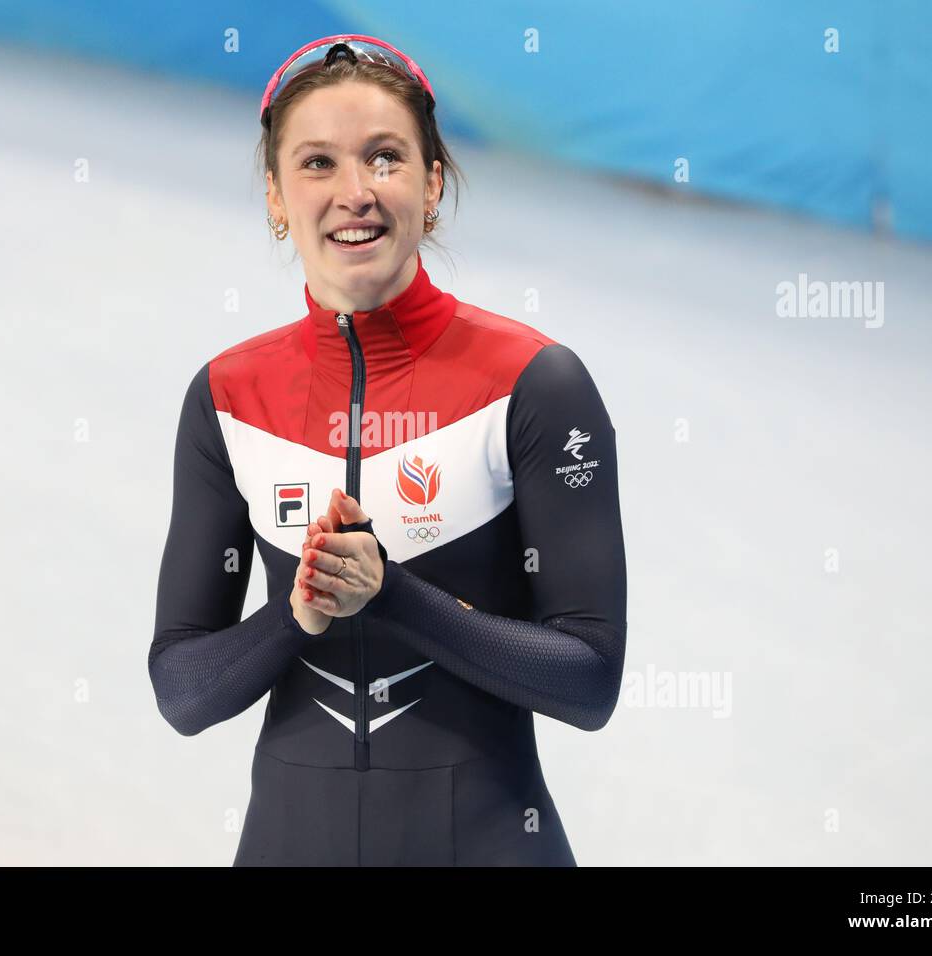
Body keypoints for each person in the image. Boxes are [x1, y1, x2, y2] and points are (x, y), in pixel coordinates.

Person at [148, 34, 627, 866]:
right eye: (318, 164)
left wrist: (393, 594)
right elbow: (183, 691)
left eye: (385, 158)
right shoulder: (228, 396)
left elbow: (589, 681)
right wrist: (294, 618)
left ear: (433, 181)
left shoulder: (532, 383)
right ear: (274, 195)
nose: (355, 193)